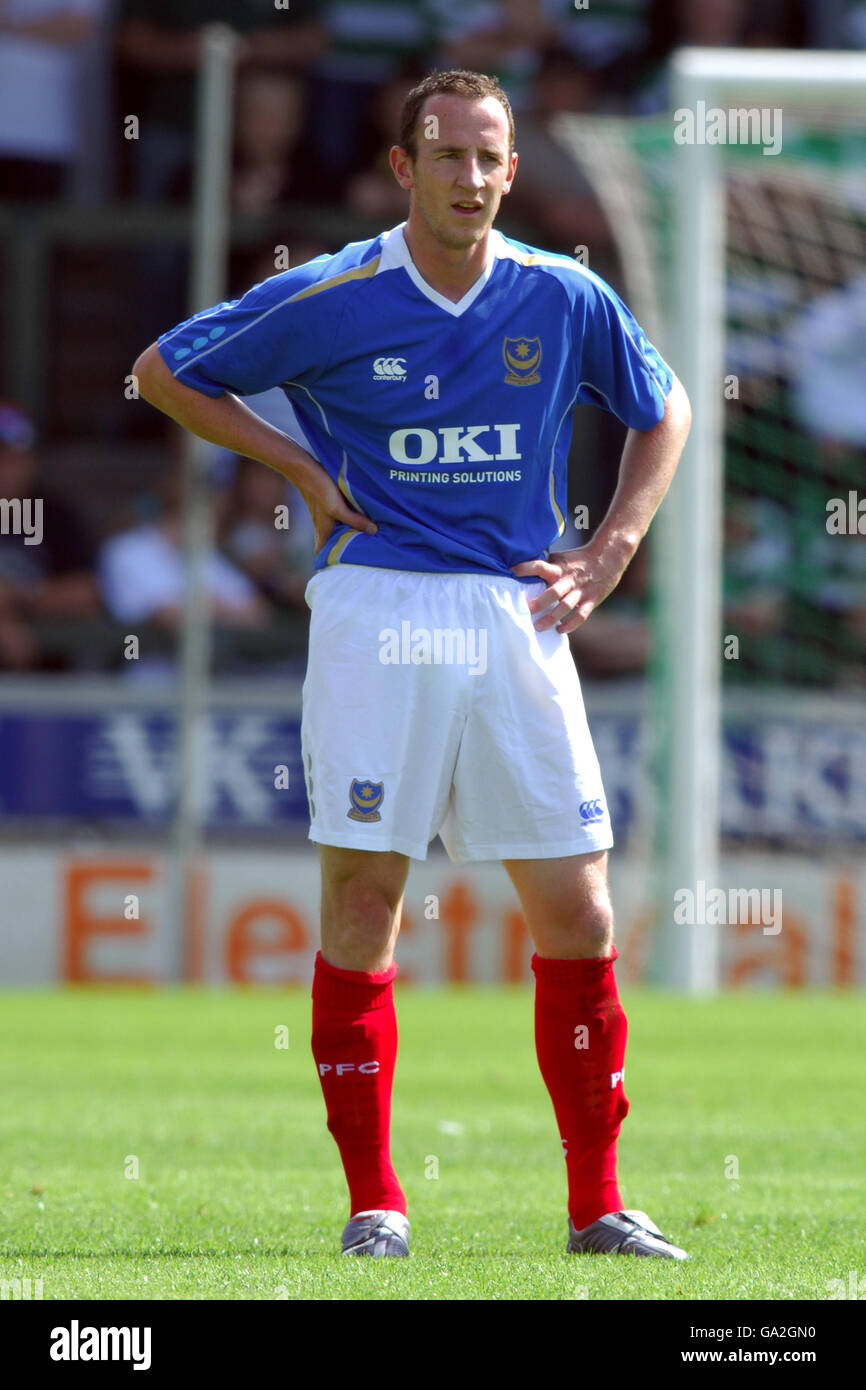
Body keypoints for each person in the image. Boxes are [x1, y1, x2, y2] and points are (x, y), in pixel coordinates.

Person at [133, 68, 692, 1261]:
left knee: (579, 910)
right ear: (404, 168)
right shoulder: (334, 291)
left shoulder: (560, 294)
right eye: (448, 156)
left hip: (515, 610)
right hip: (378, 606)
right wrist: (293, 465)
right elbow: (164, 371)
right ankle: (374, 1202)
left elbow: (665, 406)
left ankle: (596, 1203)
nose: (474, 179)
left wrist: (613, 545)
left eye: (491, 158)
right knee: (360, 903)